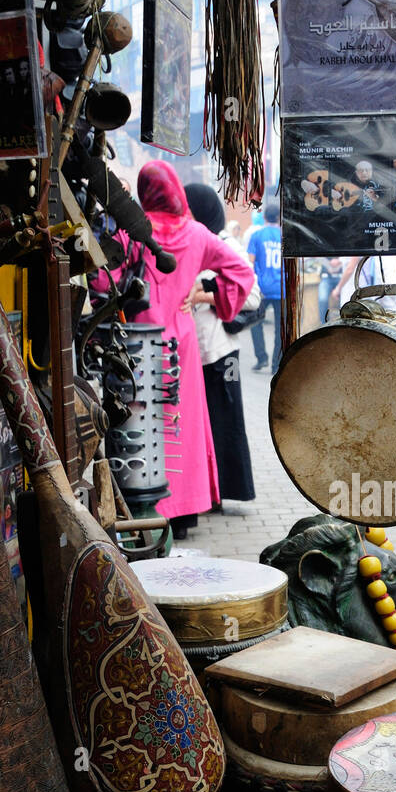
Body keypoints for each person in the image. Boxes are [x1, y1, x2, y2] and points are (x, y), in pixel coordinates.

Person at [135, 160, 255, 538]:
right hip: (182, 342)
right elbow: (242, 273)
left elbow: (106, 277)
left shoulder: (132, 233)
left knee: (143, 421)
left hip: (139, 340)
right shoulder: (198, 234)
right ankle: (183, 514)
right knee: (182, 425)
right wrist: (210, 296)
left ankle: (146, 508)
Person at [183, 183, 256, 510]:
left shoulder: (226, 246)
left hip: (221, 350)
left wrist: (205, 294)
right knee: (198, 427)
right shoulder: (188, 243)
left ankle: (225, 493)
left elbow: (252, 296)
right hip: (191, 351)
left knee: (225, 423)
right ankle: (203, 493)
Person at [245, 202, 284, 373]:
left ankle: (261, 357)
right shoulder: (285, 236)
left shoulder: (257, 235)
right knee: (280, 329)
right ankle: (276, 366)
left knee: (255, 323)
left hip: (261, 289)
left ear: (265, 217)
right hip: (281, 288)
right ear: (278, 218)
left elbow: (250, 263)